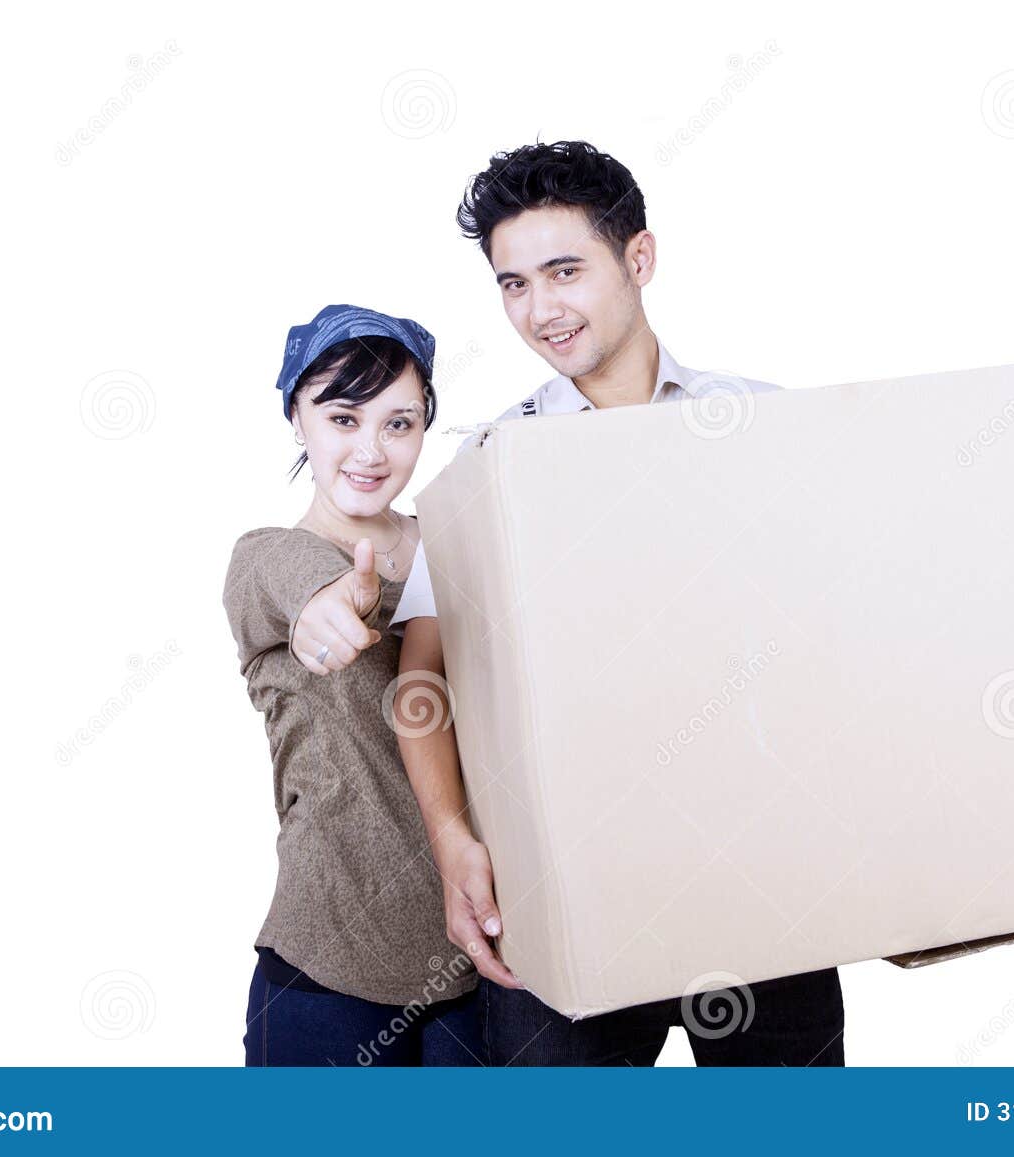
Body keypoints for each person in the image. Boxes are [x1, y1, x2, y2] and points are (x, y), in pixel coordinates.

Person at [295, 142, 845, 1066]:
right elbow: (424, 678)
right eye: (513, 284)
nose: (540, 309)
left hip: (761, 881)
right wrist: (454, 840)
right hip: (563, 892)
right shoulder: (493, 464)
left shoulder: (759, 423)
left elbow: (839, 629)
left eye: (563, 271)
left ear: (639, 259)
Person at [221, 304, 481, 1066]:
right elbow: (288, 586)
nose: (371, 449)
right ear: (297, 418)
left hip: (475, 965)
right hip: (323, 971)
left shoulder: (462, 548)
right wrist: (326, 606)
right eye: (343, 417)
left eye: (399, 423)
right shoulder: (265, 559)